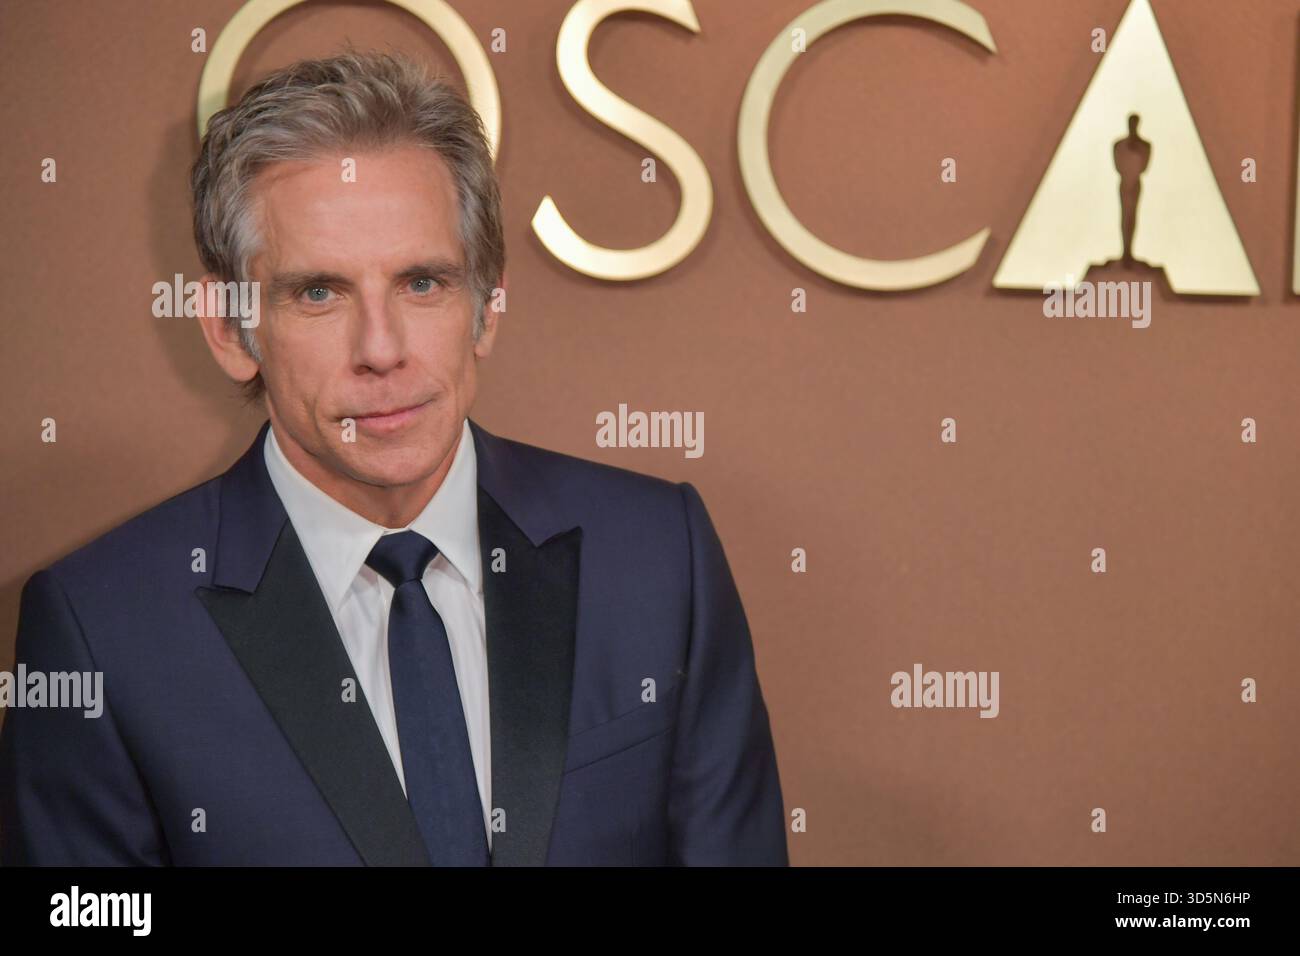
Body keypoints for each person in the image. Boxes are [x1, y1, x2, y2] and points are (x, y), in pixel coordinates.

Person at [0, 51, 787, 866]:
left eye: (422, 284)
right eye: (318, 293)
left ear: (484, 308)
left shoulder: (660, 557)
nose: (381, 351)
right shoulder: (104, 627)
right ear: (231, 330)